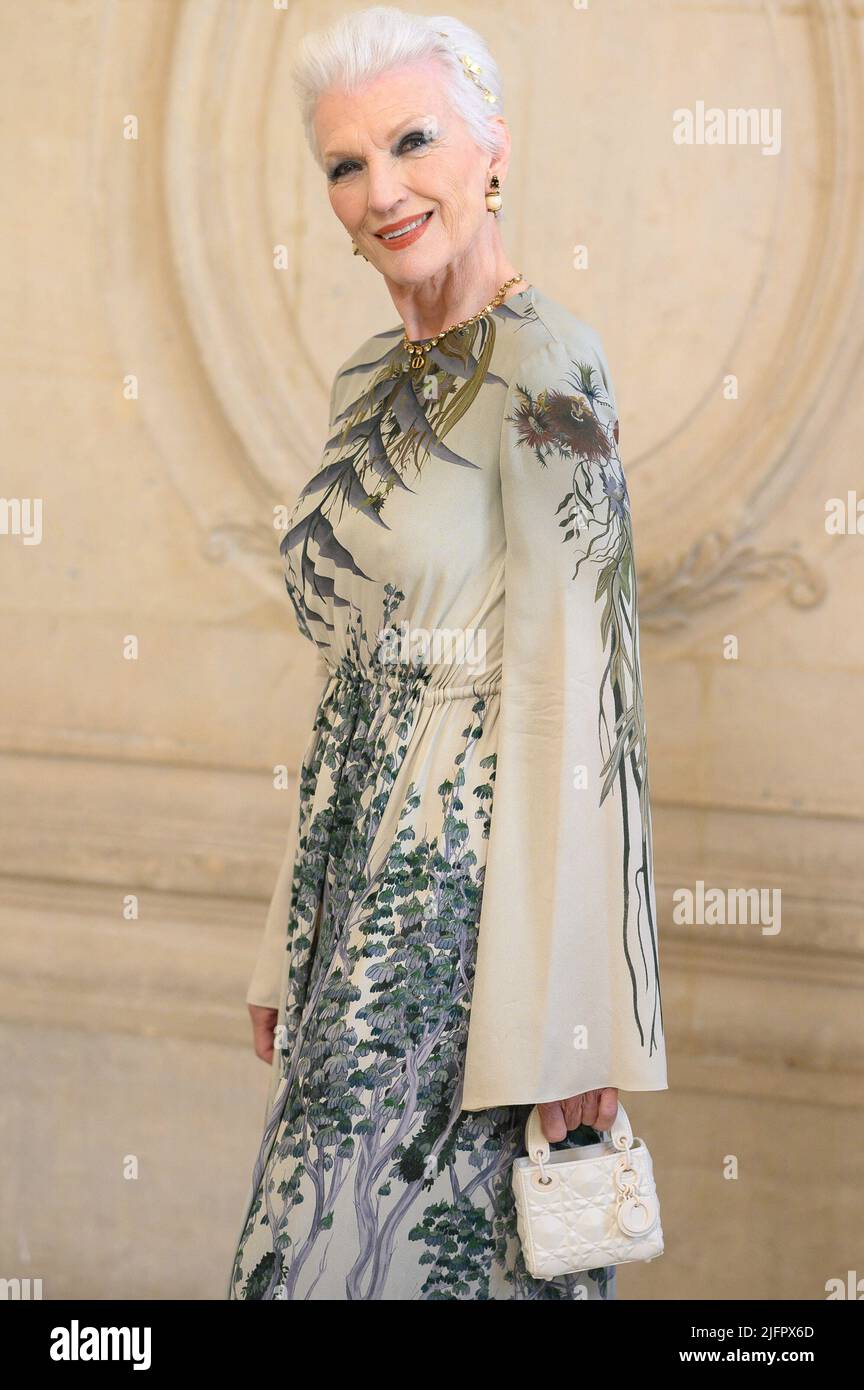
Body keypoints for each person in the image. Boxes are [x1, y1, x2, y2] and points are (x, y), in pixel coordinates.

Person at [227, 5, 667, 1301]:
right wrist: (281, 934)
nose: (381, 189)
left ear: (492, 153)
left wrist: (579, 1009)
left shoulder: (549, 365)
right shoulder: (366, 377)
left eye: (412, 141)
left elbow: (591, 694)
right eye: (344, 164)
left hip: (482, 916)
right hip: (351, 891)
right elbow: (346, 680)